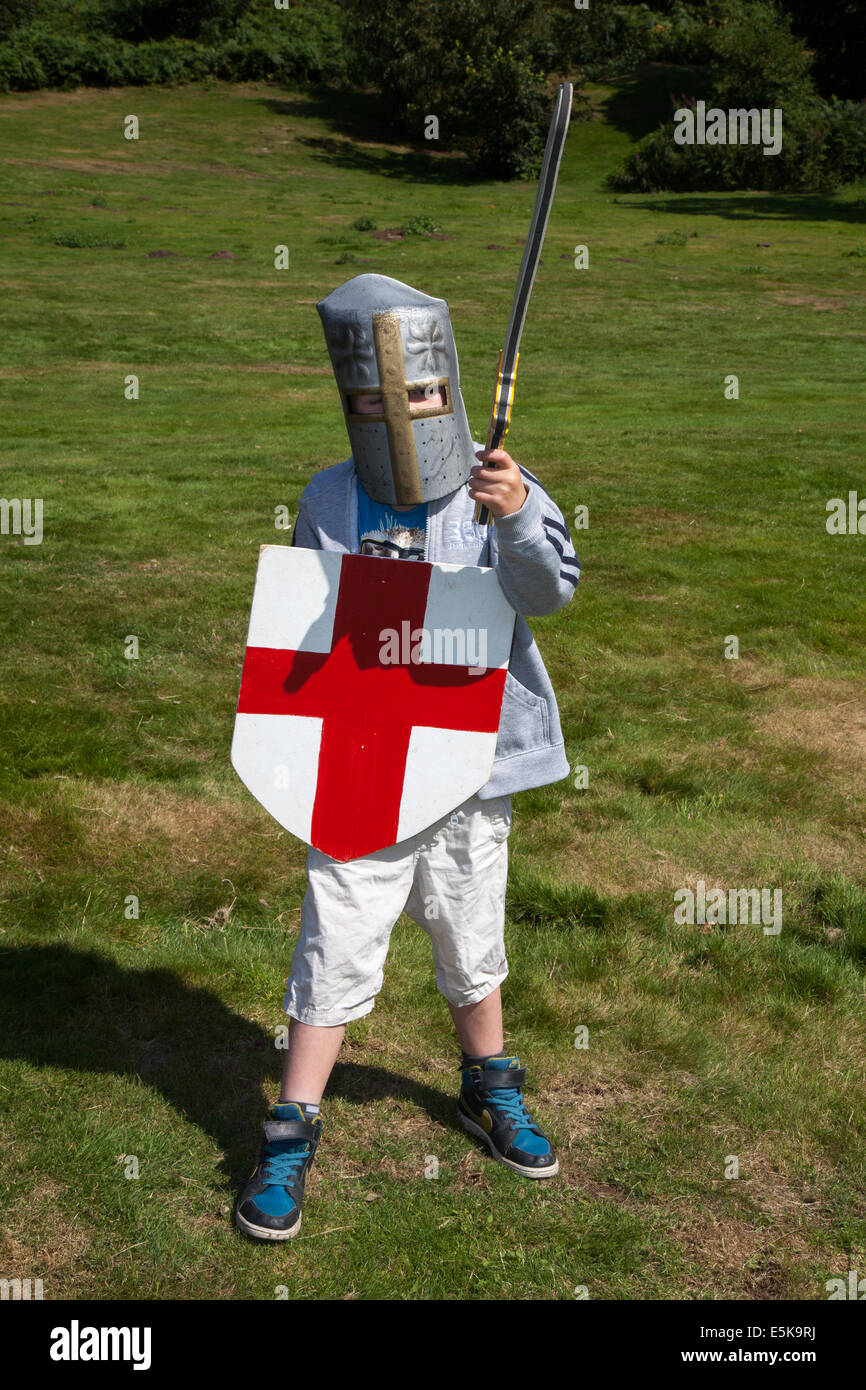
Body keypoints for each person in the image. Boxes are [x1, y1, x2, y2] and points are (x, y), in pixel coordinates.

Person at [235, 274, 580, 1241]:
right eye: (371, 400)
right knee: (337, 934)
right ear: (347, 401)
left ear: (451, 386)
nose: (398, 412)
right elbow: (305, 631)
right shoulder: (329, 498)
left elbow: (548, 591)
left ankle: (489, 1087)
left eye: (419, 393)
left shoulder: (498, 485)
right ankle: (291, 1127)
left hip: (475, 766)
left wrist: (511, 513)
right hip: (361, 759)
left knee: (470, 935)